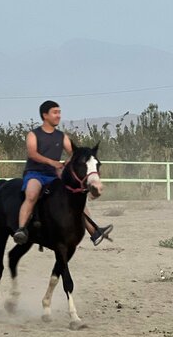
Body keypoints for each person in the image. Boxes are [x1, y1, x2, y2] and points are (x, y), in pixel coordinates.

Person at [13, 100, 113, 247]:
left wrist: (70, 163)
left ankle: (94, 232)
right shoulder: (33, 135)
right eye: (55, 112)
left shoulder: (62, 136)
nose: (58, 116)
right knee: (32, 194)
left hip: (54, 175)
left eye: (59, 112)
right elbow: (33, 154)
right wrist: (52, 162)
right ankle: (21, 229)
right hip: (35, 173)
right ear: (44, 115)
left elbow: (74, 154)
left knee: (76, 197)